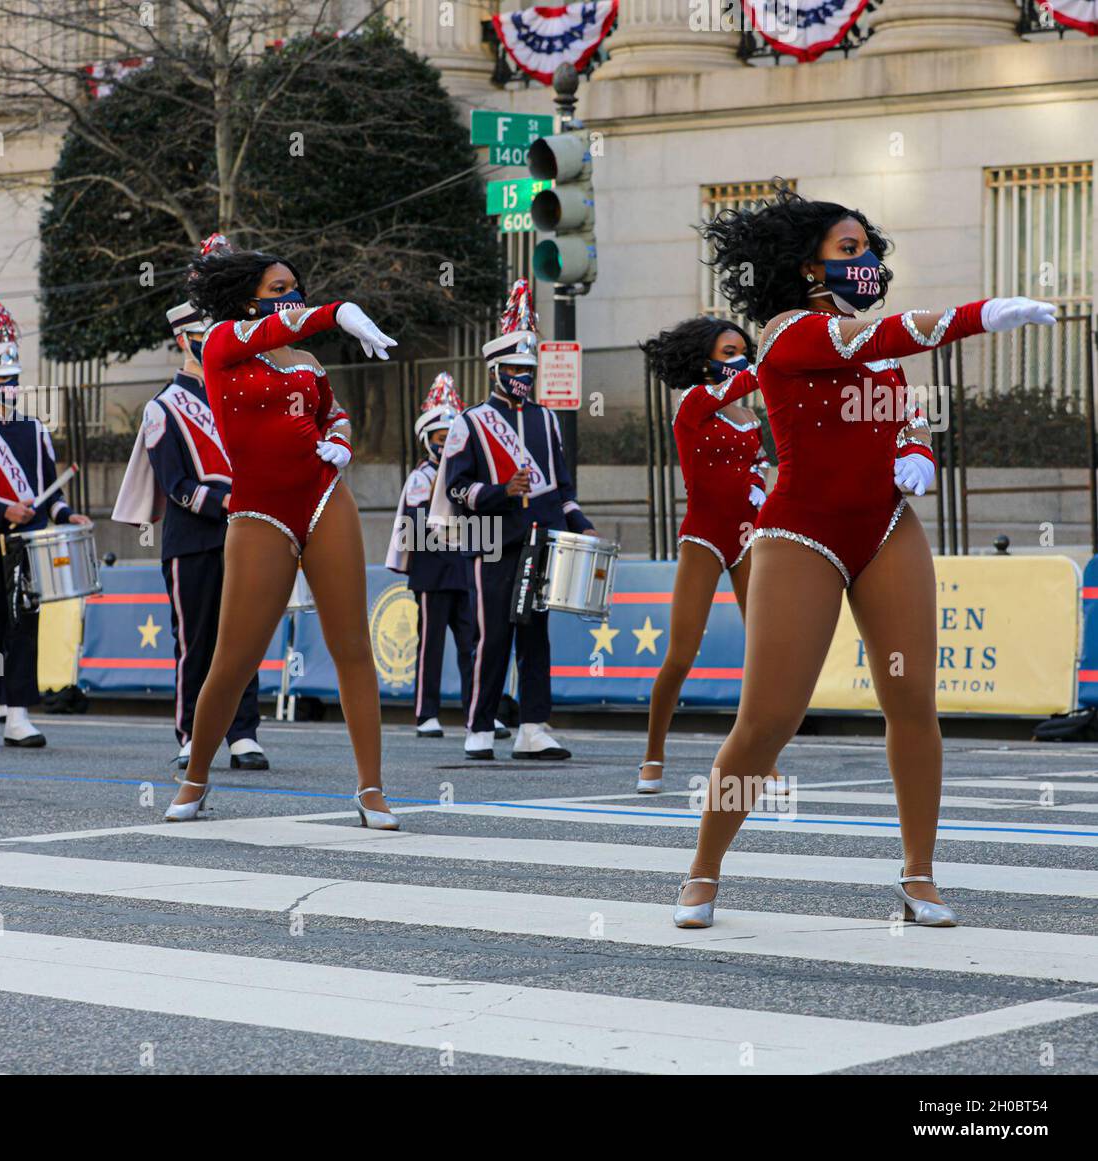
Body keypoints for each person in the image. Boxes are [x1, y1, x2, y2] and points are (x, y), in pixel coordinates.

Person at [673, 186, 1058, 929]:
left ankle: (920, 875)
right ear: (804, 265)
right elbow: (879, 341)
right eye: (848, 250)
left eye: (868, 249)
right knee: (766, 722)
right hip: (801, 535)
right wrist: (980, 315)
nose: (866, 261)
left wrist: (916, 452)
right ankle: (704, 868)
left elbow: (901, 412)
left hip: (886, 529)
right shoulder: (789, 331)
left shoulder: (871, 345)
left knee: (912, 705)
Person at [161, 247, 399, 827]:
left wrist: (341, 440)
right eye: (278, 287)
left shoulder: (309, 362)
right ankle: (196, 776)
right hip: (258, 513)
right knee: (233, 660)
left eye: (296, 286)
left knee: (353, 647)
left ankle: (371, 790)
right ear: (249, 298)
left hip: (322, 498)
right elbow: (286, 322)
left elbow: (332, 411)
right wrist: (335, 310)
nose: (292, 296)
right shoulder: (220, 343)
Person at [435, 280, 596, 762]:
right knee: (493, 635)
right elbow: (455, 488)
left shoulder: (547, 419)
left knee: (535, 634)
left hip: (541, 538)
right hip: (493, 540)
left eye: (529, 368)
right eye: (515, 369)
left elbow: (563, 489)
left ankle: (533, 726)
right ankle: (480, 726)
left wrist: (582, 525)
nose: (523, 376)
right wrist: (502, 491)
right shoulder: (470, 422)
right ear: (496, 370)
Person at [112, 286, 268, 771]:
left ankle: (243, 732)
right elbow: (176, 484)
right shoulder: (163, 408)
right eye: (206, 334)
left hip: (242, 534)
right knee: (196, 640)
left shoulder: (240, 396)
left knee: (243, 637)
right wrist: (225, 501)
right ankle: (191, 731)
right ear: (185, 339)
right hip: (193, 540)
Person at [636, 317, 783, 794]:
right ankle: (653, 756)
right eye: (728, 351)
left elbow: (761, 463)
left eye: (743, 349)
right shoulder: (694, 403)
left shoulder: (750, 417)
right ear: (705, 360)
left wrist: (762, 488)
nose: (738, 358)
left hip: (747, 538)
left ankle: (765, 761)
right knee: (680, 655)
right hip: (702, 537)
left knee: (764, 653)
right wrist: (768, 361)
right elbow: (744, 380)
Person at [0, 296, 90, 748]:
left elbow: (53, 490)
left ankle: (19, 713)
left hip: (27, 545)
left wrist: (66, 515)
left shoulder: (35, 431)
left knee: (24, 626)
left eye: (14, 381)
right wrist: (1, 510)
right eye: (1, 381)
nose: (9, 388)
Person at [385, 373, 480, 739]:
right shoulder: (421, 477)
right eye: (440, 440)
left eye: (450, 439)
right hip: (432, 572)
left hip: (464, 569)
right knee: (432, 644)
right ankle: (426, 713)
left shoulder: (465, 476)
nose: (445, 446)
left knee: (472, 644)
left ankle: (478, 711)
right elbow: (416, 524)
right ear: (428, 441)